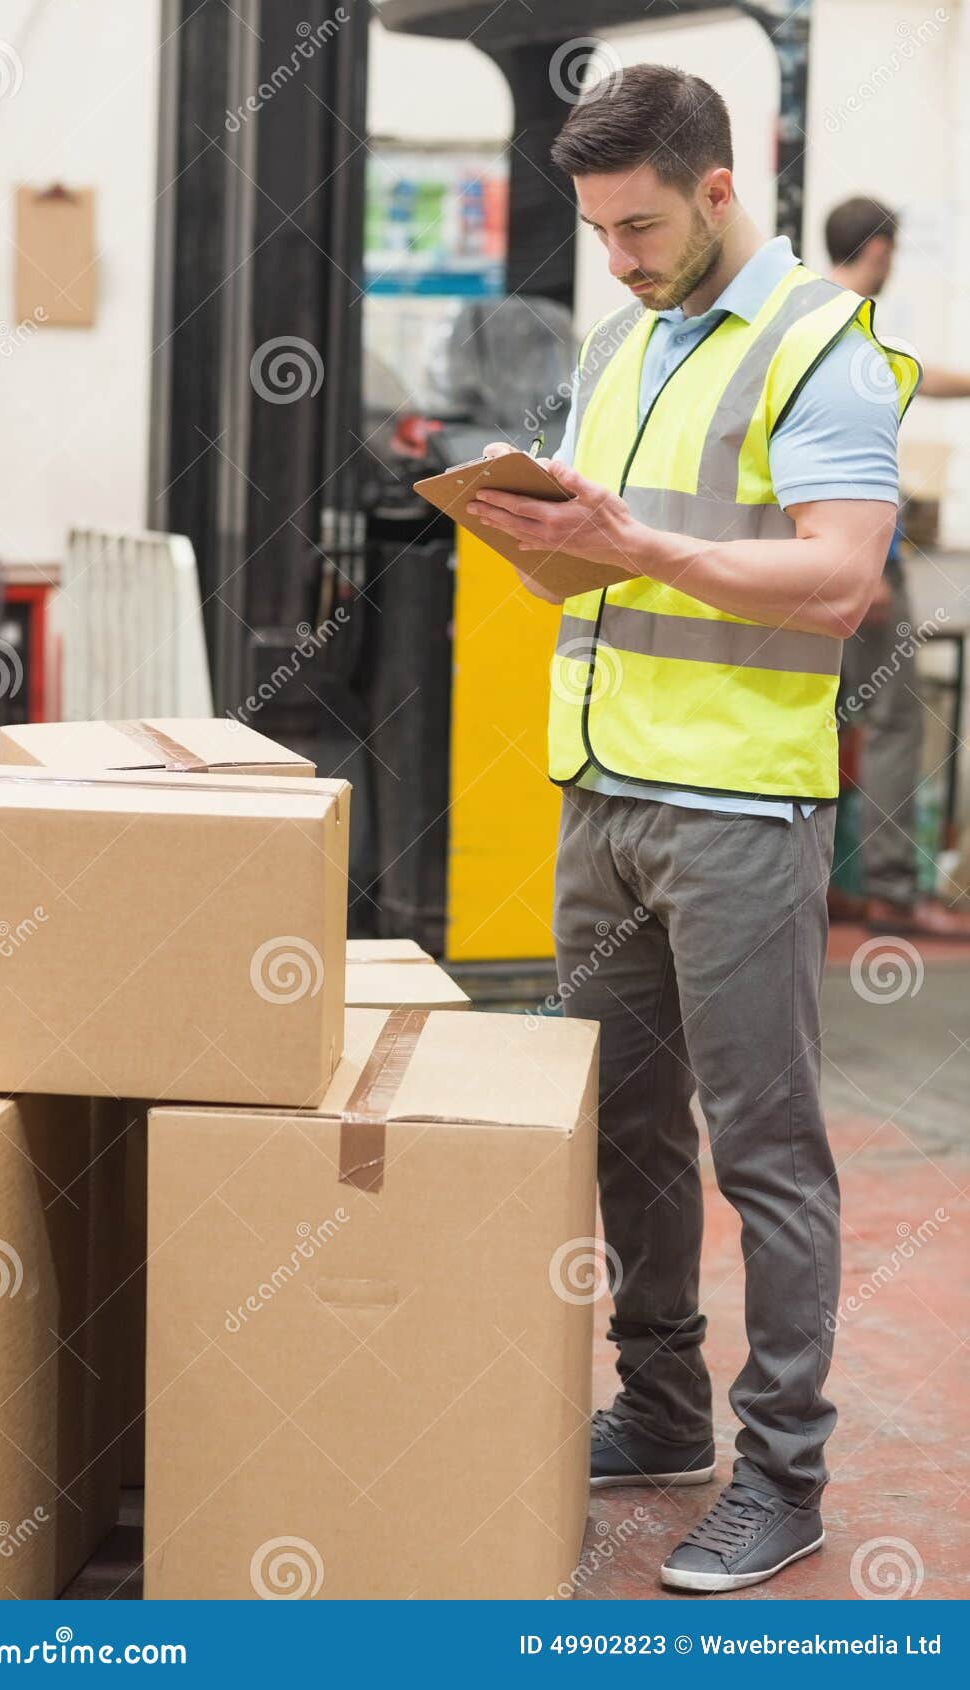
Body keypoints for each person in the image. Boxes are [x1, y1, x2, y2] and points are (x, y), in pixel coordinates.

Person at [471, 63, 918, 1593]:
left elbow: (837, 581)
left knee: (765, 1150)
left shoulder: (824, 349)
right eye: (597, 230)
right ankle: (659, 1408)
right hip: (598, 795)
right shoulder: (624, 334)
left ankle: (780, 1473)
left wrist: (629, 544)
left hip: (733, 808)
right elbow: (592, 564)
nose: (617, 256)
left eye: (639, 224)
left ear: (718, 188)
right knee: (622, 1132)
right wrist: (530, 537)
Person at [826, 196, 970, 937]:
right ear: (878, 249)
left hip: (805, 562)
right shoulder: (851, 330)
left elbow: (918, 376)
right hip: (858, 563)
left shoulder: (807, 319)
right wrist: (873, 563)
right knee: (890, 721)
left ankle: (813, 883)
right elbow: (859, 457)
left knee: (818, 717)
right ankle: (886, 888)